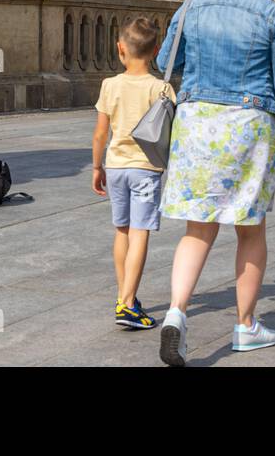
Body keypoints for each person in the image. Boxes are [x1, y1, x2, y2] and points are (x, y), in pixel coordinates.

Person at [155, 0, 275, 366]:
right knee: (250, 228)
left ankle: (176, 314)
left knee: (197, 228)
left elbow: (166, 63)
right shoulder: (274, 14)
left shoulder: (193, 6)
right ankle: (245, 326)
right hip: (249, 124)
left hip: (198, 124)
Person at [92, 18, 173, 330]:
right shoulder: (161, 88)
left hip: (115, 166)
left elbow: (100, 134)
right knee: (140, 232)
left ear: (120, 48)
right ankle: (127, 303)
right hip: (146, 170)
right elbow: (170, 133)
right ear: (154, 51)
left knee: (122, 230)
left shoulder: (109, 85)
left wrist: (97, 166)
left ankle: (124, 296)